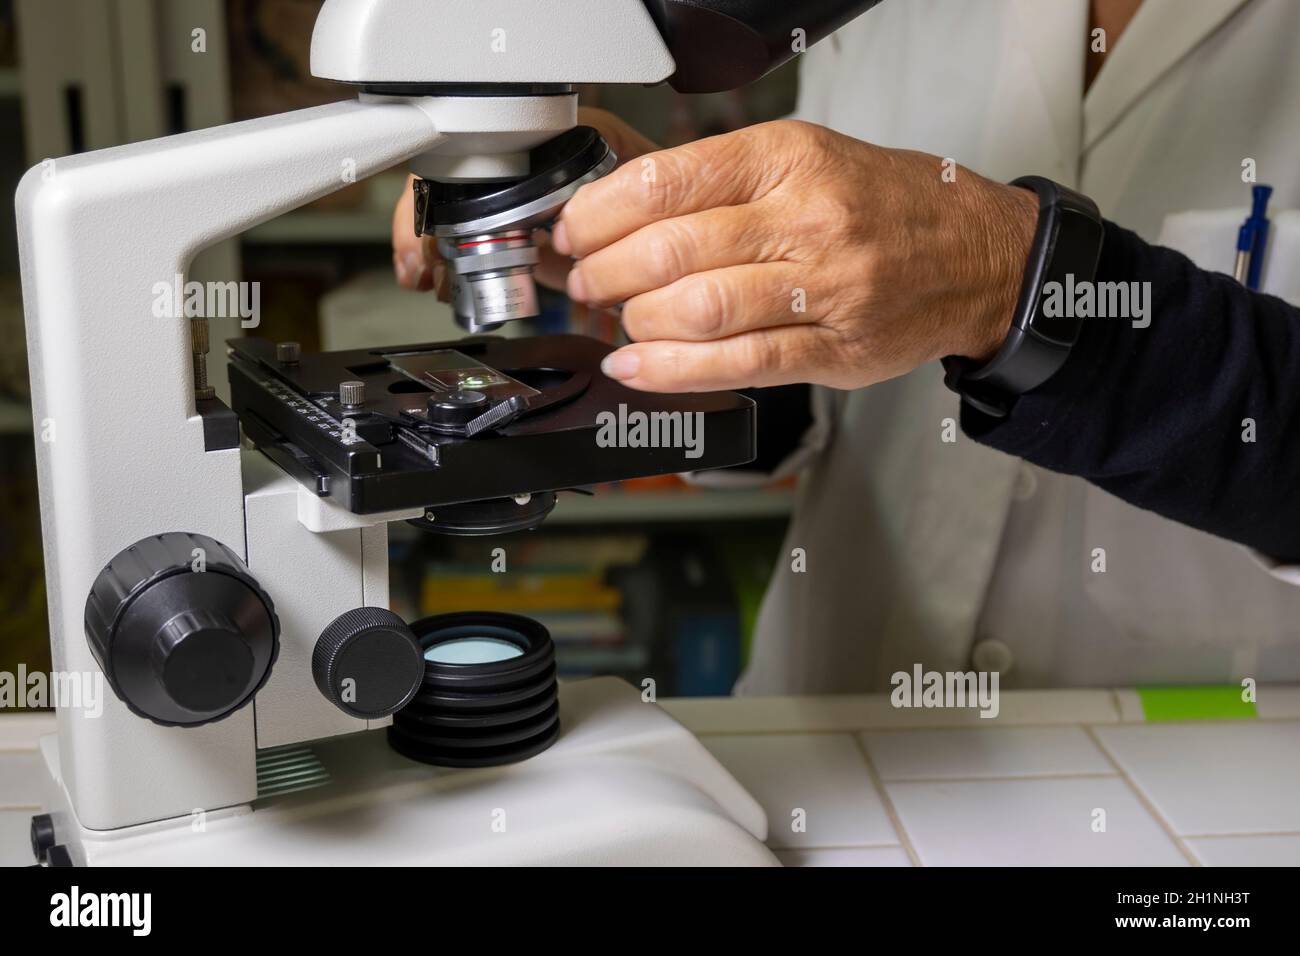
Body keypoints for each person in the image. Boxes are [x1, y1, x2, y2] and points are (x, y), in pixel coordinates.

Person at [394, 0, 1300, 693]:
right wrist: (695, 253)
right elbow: (829, 383)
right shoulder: (861, 15)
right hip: (832, 707)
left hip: (1195, 748)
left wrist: (1011, 279)